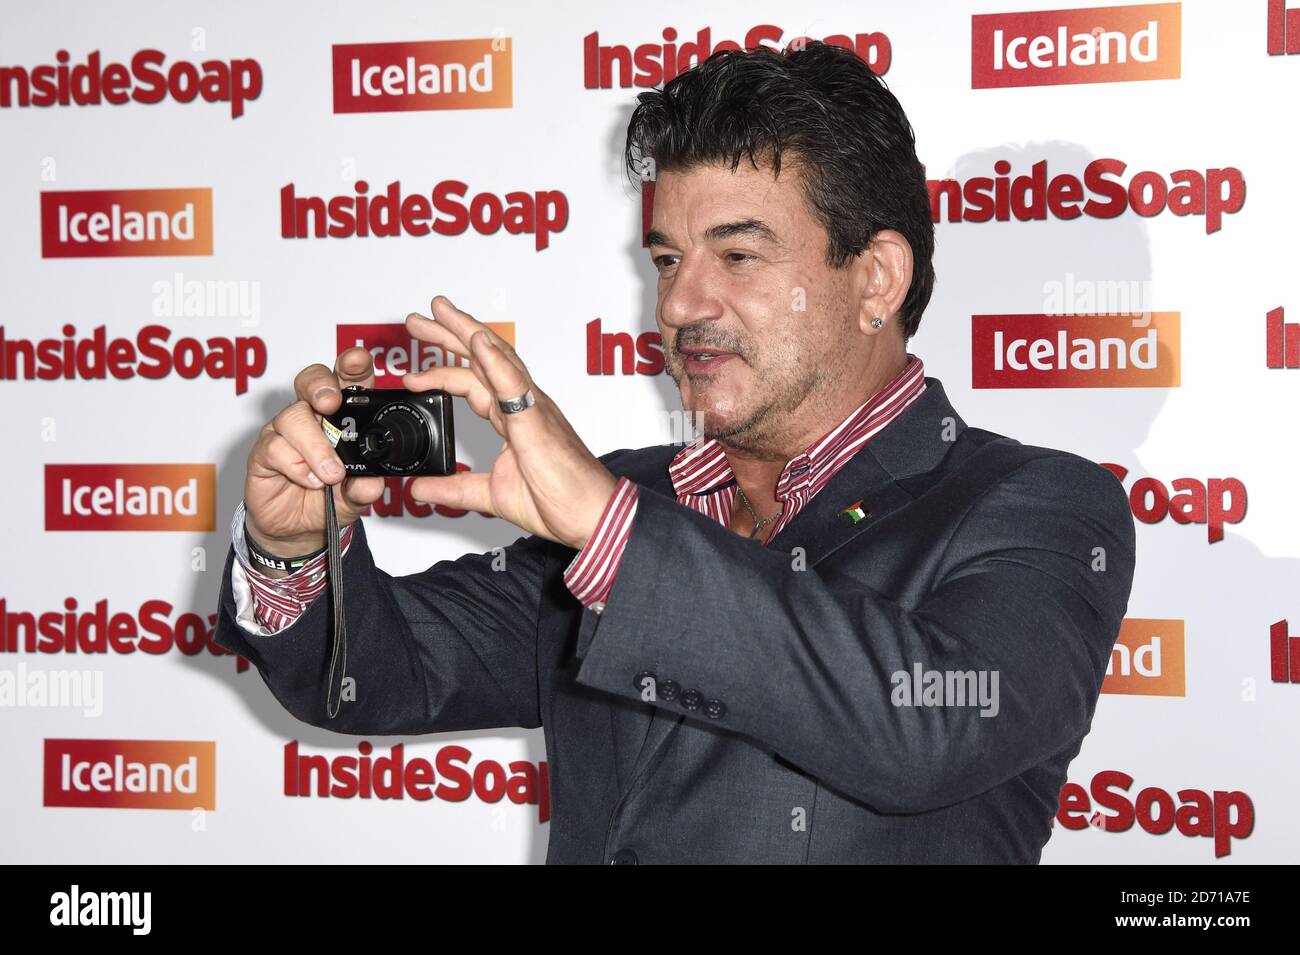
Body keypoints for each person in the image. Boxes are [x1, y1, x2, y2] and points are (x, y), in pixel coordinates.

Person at [214, 41, 1136, 863]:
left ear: (877, 279)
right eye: (666, 260)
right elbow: (379, 675)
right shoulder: (623, 500)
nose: (682, 305)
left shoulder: (1038, 507)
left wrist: (612, 531)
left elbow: (929, 721)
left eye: (737, 256)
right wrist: (294, 546)